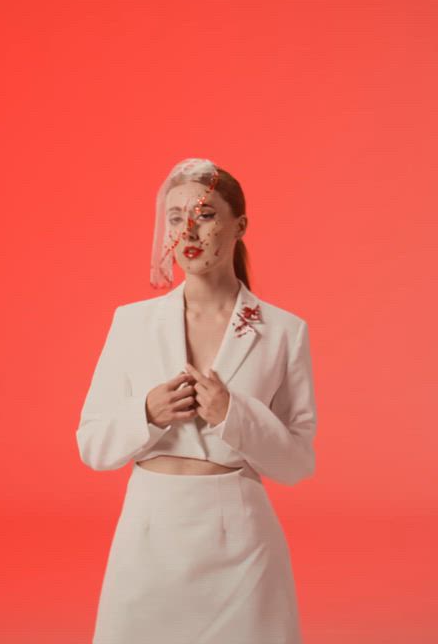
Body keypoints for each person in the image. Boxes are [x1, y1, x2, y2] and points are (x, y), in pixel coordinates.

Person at [76, 158, 317, 643]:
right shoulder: (132, 323)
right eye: (174, 216)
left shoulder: (284, 331)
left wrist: (236, 415)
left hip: (241, 544)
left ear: (239, 225)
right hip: (148, 534)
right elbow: (93, 445)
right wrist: (145, 412)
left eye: (205, 214)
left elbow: (297, 464)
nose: (187, 228)